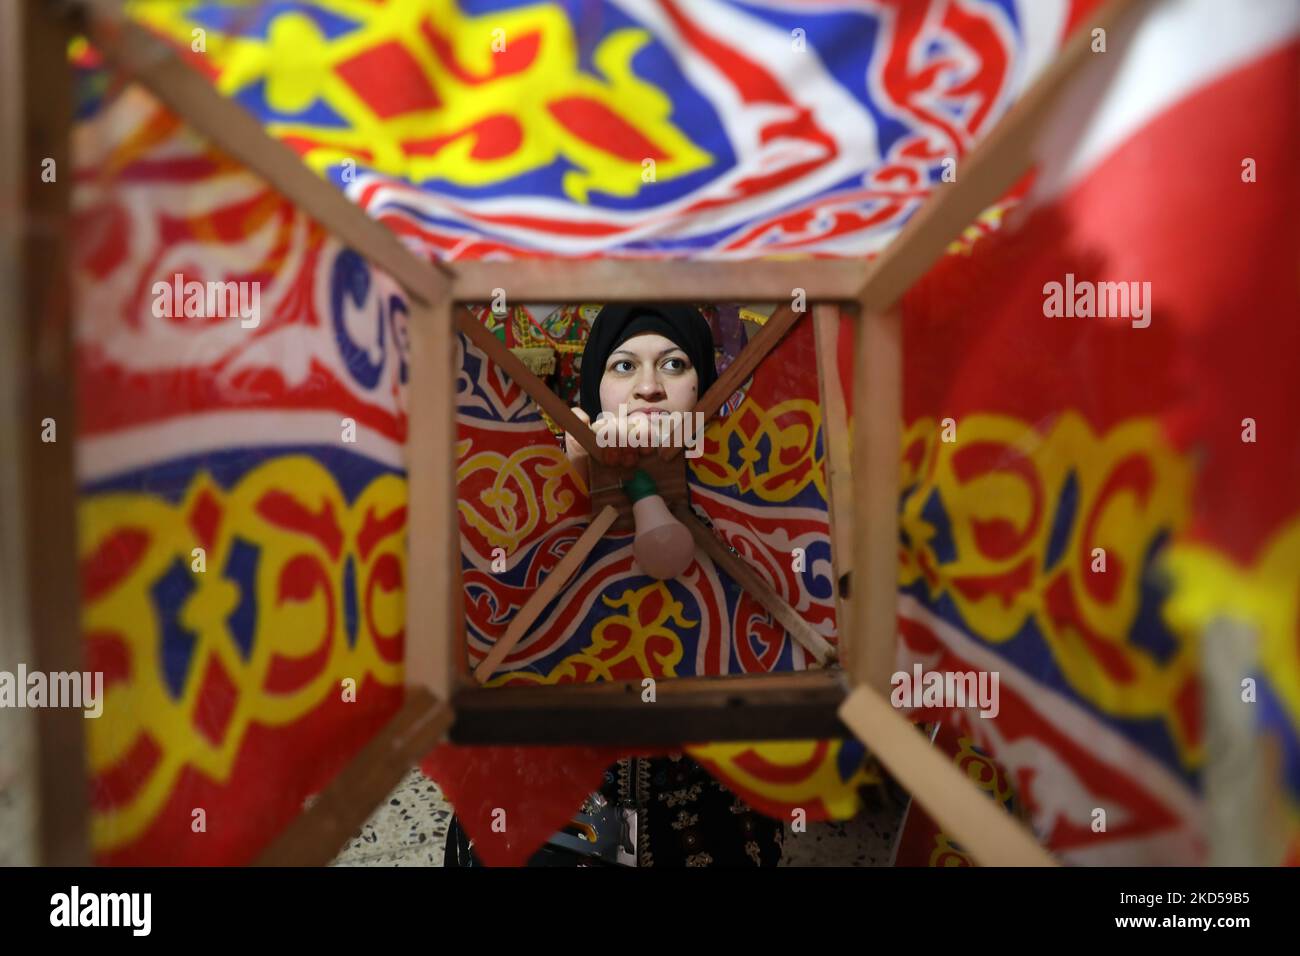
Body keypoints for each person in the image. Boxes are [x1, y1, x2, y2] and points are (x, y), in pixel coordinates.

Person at [444, 303, 783, 867]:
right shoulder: (529, 497)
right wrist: (576, 481)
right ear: (593, 394)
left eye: (673, 366)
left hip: (711, 819)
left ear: (705, 389)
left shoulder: (754, 495)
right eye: (624, 367)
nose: (648, 388)